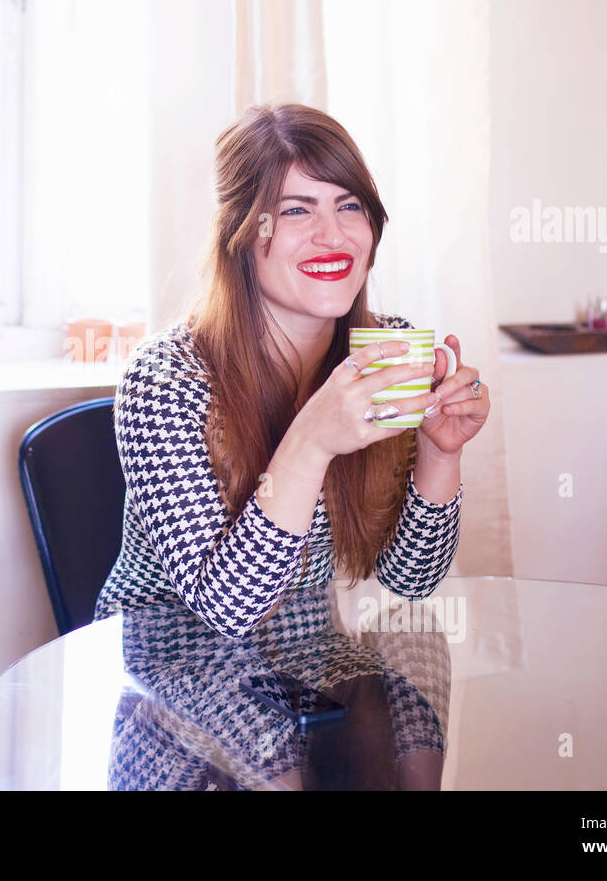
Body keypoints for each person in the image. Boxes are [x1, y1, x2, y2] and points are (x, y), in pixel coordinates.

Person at [93, 103, 492, 642]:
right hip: (168, 677)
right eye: (297, 211)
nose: (333, 236)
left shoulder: (384, 350)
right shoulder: (165, 379)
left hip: (306, 676)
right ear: (241, 232)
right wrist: (312, 439)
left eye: (349, 206)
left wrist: (440, 455)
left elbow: (411, 579)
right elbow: (231, 608)